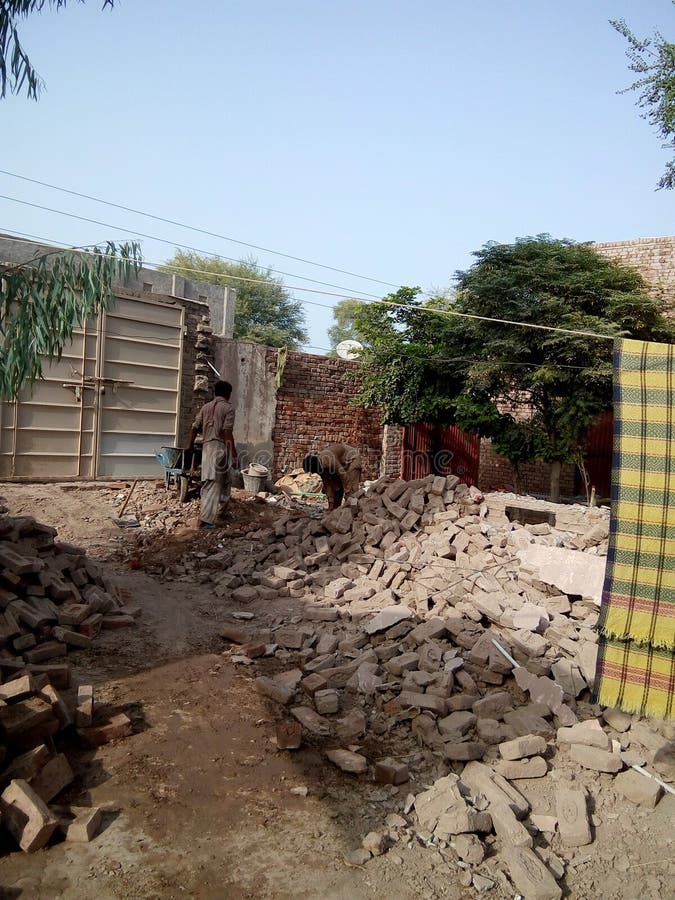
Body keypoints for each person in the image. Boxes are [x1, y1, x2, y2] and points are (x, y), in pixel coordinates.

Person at [189, 380, 238, 529]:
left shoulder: (205, 407)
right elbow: (227, 432)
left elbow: (194, 428)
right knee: (214, 483)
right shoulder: (228, 408)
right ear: (228, 394)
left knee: (223, 480)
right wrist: (234, 454)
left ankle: (221, 513)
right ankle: (206, 520)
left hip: (206, 447)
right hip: (220, 447)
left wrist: (189, 446)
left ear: (215, 392)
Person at [303, 442, 362, 511]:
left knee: (352, 489)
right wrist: (330, 503)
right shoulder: (320, 467)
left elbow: (344, 476)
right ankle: (336, 509)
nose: (313, 473)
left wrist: (348, 493)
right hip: (343, 463)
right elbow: (327, 484)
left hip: (352, 459)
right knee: (336, 487)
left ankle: (353, 512)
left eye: (313, 471)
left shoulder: (329, 459)